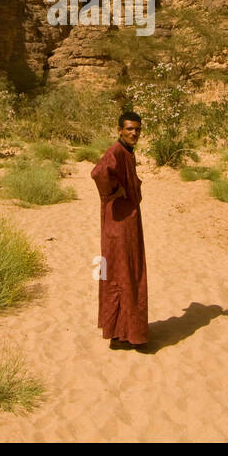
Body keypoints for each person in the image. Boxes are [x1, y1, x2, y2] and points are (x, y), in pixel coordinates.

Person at [90, 111, 150, 351]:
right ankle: (121, 333)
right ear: (119, 130)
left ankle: (125, 330)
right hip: (119, 223)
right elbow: (98, 172)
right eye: (129, 129)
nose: (134, 133)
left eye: (137, 129)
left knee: (127, 270)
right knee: (122, 271)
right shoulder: (115, 151)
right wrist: (114, 193)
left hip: (127, 219)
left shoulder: (127, 152)